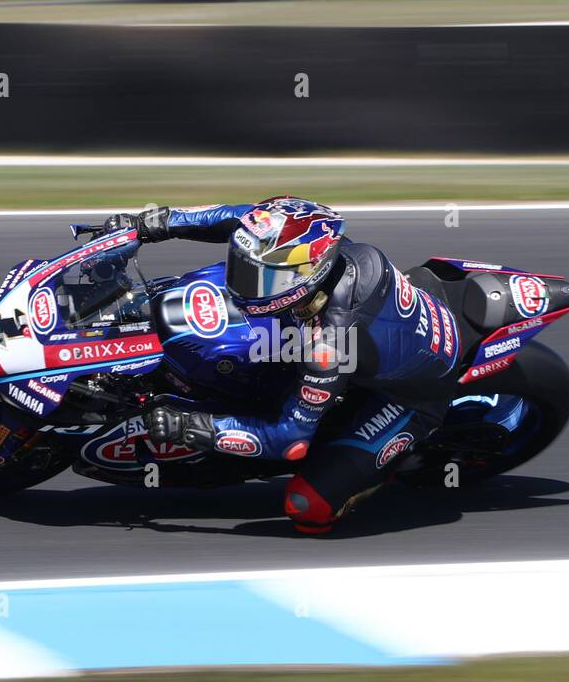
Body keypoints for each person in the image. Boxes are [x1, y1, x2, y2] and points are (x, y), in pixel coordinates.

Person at [102, 196, 461, 533]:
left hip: (408, 396)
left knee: (308, 507)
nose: (243, 281)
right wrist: (156, 223)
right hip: (387, 329)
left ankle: (383, 463)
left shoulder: (330, 346)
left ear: (307, 277)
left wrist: (193, 426)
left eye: (260, 276)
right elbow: (238, 219)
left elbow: (289, 439)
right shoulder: (321, 245)